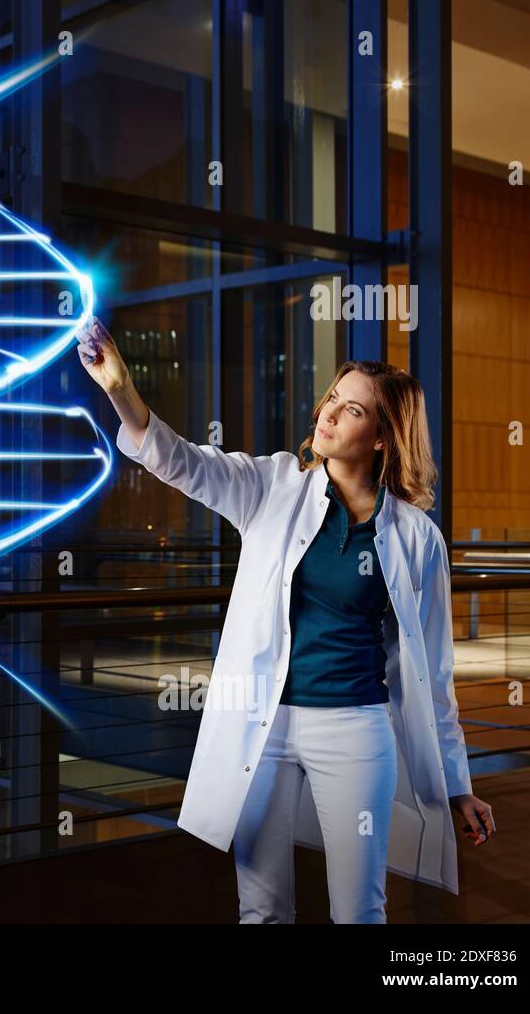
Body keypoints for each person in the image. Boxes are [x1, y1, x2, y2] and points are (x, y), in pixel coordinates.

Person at [76, 317, 495, 923]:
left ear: (382, 437)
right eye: (333, 398)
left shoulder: (416, 538)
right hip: (262, 727)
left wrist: (458, 783)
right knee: (262, 910)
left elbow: (432, 672)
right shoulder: (272, 486)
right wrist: (120, 388)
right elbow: (181, 461)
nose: (329, 414)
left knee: (359, 911)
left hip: (356, 729)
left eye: (352, 410)